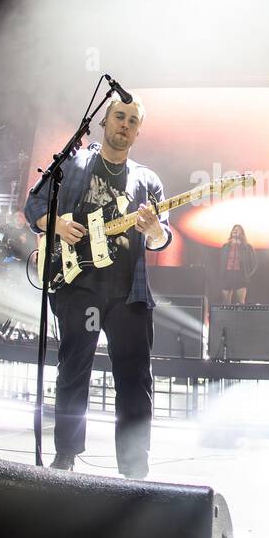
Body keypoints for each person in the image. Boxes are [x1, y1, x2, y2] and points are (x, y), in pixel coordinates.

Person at [26, 95, 171, 479]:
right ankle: (66, 455)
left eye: (132, 120)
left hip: (129, 294)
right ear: (104, 122)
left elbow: (161, 240)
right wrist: (57, 225)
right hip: (79, 285)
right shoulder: (73, 165)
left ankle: (135, 466)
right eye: (119, 116)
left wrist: (155, 231)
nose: (124, 124)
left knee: (135, 378)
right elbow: (33, 208)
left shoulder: (147, 180)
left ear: (138, 131)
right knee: (74, 370)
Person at [218, 224, 258, 304]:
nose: (235, 230)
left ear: (242, 233)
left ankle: (240, 316)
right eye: (234, 229)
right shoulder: (226, 246)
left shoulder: (247, 247)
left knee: (241, 302)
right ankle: (226, 316)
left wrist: (247, 275)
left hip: (240, 275)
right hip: (227, 274)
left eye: (238, 229)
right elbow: (220, 261)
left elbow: (254, 262)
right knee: (226, 302)